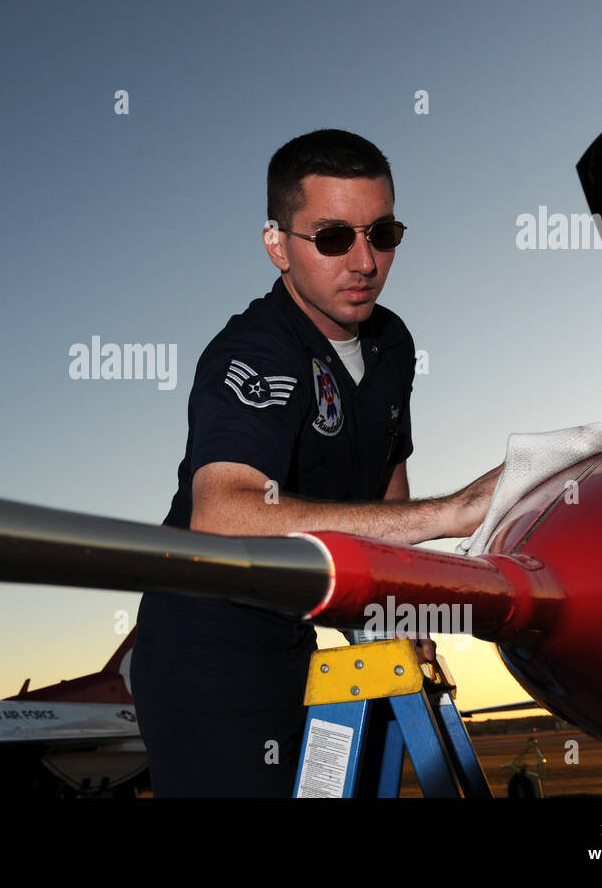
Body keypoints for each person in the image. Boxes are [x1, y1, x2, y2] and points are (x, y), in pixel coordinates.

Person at [130, 129, 502, 798]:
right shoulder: (253, 350)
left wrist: (394, 610)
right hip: (206, 648)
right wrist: (448, 514)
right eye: (333, 237)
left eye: (381, 232)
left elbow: (389, 481)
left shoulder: (393, 343)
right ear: (278, 244)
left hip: (296, 627)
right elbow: (223, 512)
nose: (364, 260)